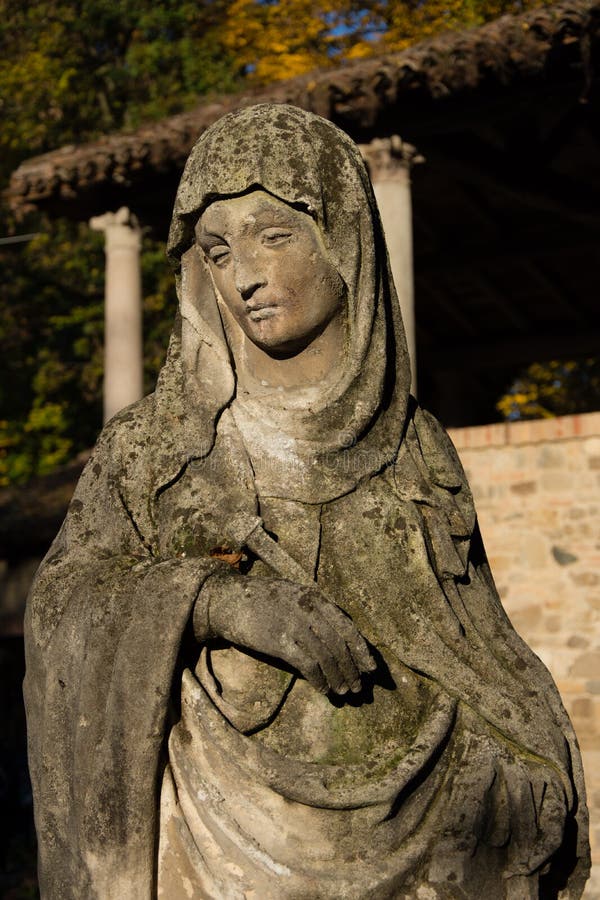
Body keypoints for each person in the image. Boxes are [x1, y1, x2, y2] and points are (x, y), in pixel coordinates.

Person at [24, 104, 589, 899]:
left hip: (432, 831)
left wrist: (517, 763)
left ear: (343, 238)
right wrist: (217, 603)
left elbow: (478, 653)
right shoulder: (151, 450)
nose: (244, 274)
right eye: (217, 251)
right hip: (213, 843)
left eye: (273, 235)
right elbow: (62, 606)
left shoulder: (415, 448)